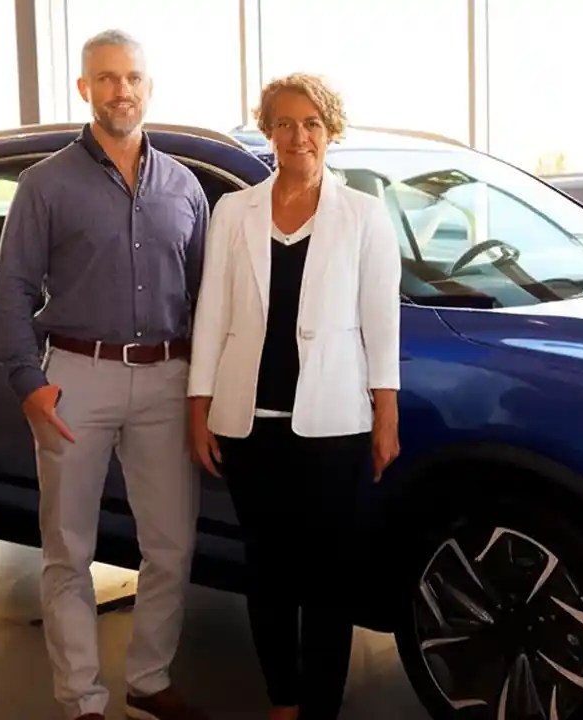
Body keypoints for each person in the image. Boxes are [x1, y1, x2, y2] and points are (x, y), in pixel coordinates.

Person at [0, 29, 210, 720]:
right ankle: (82, 700)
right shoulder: (45, 184)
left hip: (168, 377)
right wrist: (30, 383)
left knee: (171, 545)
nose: (122, 90)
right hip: (76, 379)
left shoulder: (184, 187)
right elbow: (10, 290)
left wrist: (203, 389)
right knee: (68, 550)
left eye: (133, 77)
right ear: (85, 88)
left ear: (149, 87)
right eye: (107, 78)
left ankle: (149, 680)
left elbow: (206, 298)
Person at [186, 73, 402, 720]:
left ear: (330, 132)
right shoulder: (234, 212)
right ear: (268, 131)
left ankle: (321, 707)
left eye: (311, 123)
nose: (297, 135)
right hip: (250, 424)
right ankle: (282, 700)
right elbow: (212, 313)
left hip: (333, 425)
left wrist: (385, 415)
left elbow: (381, 322)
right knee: (268, 572)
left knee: (329, 577)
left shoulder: (363, 215)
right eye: (284, 123)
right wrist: (198, 404)